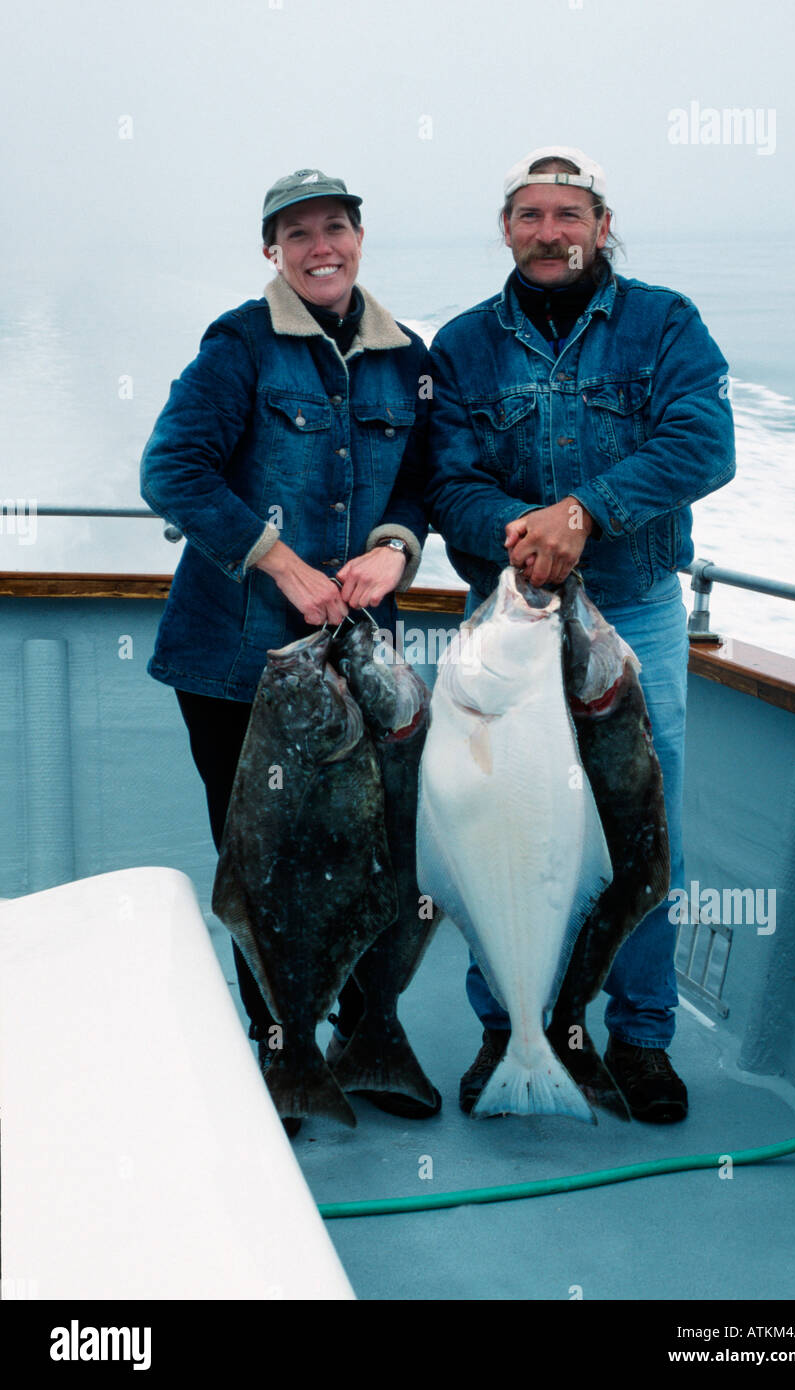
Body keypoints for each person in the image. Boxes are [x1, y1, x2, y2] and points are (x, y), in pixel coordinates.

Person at [426, 146, 736, 1122]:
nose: (549, 233)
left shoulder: (664, 322)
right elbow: (445, 481)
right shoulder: (465, 345)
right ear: (507, 229)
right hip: (511, 621)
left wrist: (582, 514)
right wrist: (526, 535)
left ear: (601, 226)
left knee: (644, 833)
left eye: (568, 215)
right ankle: (509, 1024)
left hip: (633, 616)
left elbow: (702, 443)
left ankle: (638, 1037)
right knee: (499, 825)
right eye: (529, 216)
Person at [140, 169, 436, 1122]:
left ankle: (368, 1040)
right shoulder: (237, 346)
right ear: (272, 249)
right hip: (232, 663)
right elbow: (171, 470)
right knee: (262, 863)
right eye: (298, 232)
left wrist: (395, 551)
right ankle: (282, 1055)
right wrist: (279, 563)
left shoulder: (408, 359)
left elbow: (420, 485)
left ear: (359, 237)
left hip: (363, 667)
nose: (321, 247)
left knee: (379, 856)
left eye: (335, 228)